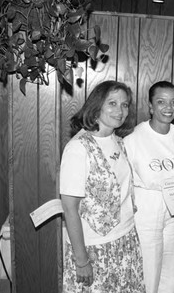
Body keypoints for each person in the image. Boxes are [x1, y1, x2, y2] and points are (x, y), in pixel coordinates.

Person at [60, 80, 145, 293]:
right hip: (95, 248)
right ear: (97, 105)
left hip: (125, 240)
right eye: (112, 103)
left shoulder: (118, 141)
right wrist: (81, 260)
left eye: (125, 105)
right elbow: (70, 208)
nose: (120, 110)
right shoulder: (78, 148)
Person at [124, 81, 174, 293]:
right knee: (149, 272)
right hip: (147, 209)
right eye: (161, 102)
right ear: (150, 106)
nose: (168, 107)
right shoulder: (134, 138)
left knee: (171, 273)